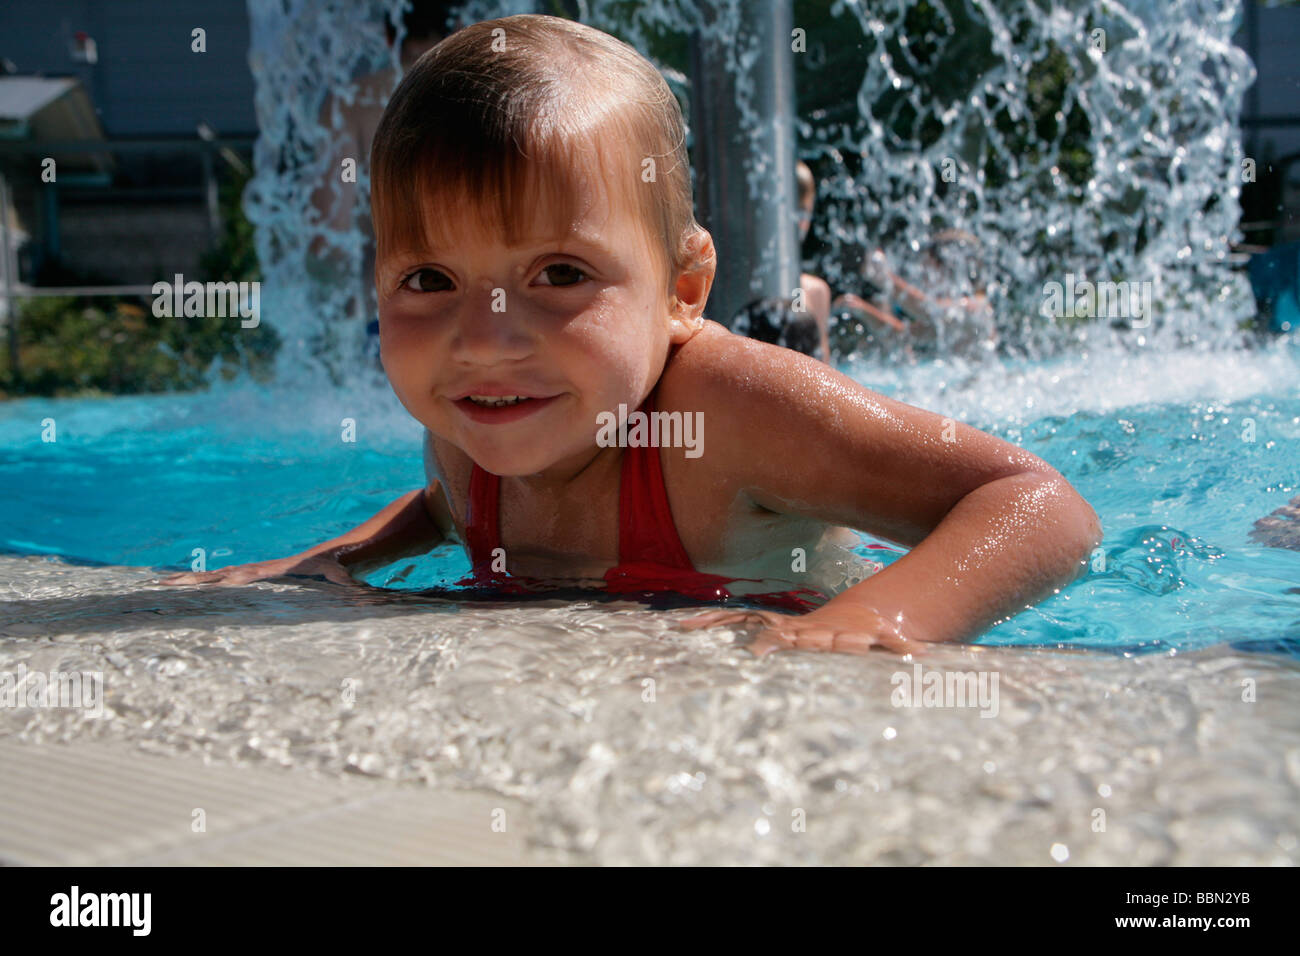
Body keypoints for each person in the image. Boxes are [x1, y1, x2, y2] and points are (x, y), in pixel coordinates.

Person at [159, 14, 1101, 656]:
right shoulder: (472, 415)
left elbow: (1038, 507)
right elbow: (446, 507)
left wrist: (872, 617)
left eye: (560, 275)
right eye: (430, 281)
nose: (482, 340)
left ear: (685, 289)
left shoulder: (733, 412)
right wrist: (349, 553)